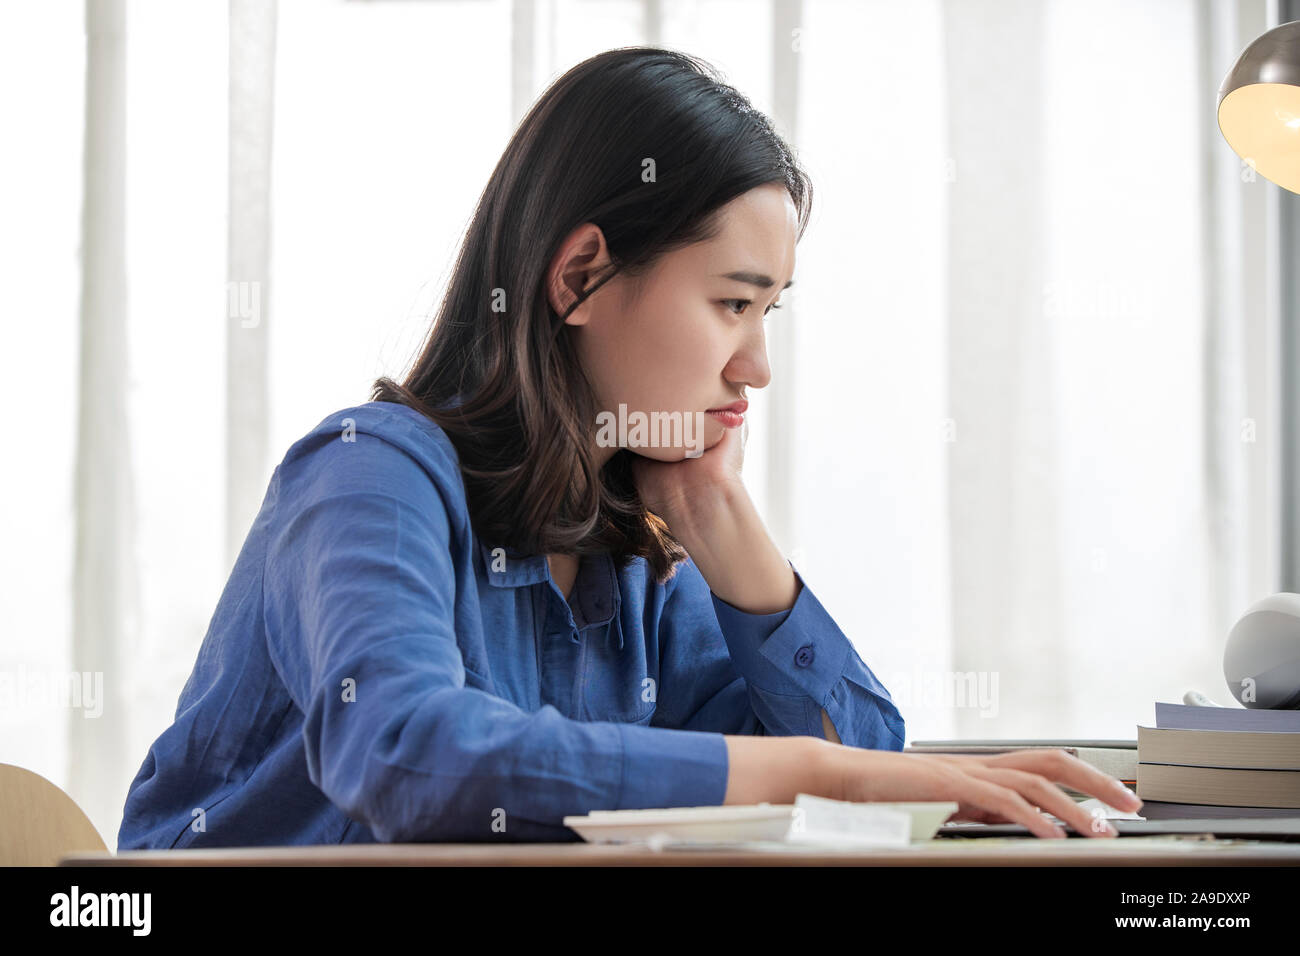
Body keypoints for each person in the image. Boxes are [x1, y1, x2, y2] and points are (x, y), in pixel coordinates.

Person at [117, 46, 1140, 848]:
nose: (757, 367)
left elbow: (864, 767)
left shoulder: (630, 557)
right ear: (580, 278)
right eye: (734, 302)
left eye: (771, 309)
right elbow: (408, 751)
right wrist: (809, 775)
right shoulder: (365, 475)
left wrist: (721, 521)